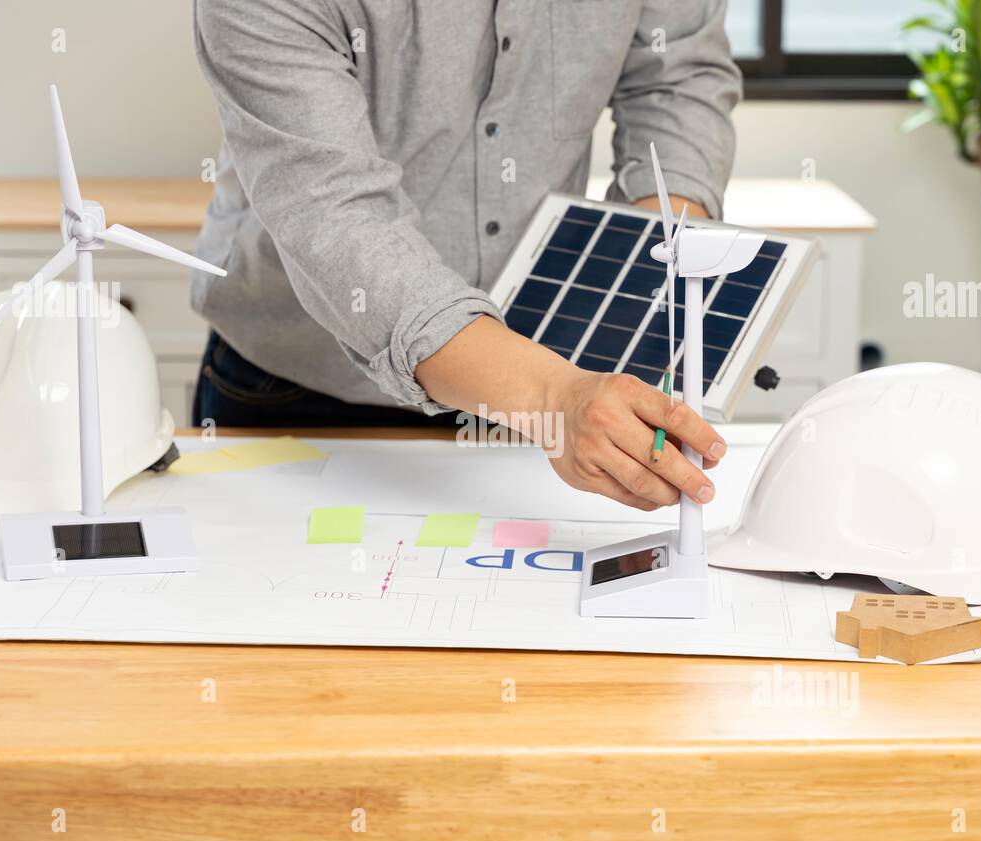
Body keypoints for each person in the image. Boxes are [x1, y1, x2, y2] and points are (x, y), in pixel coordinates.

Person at [191, 0, 740, 512]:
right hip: (302, 393)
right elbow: (336, 212)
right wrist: (554, 398)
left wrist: (655, 265)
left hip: (542, 381)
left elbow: (675, 76)